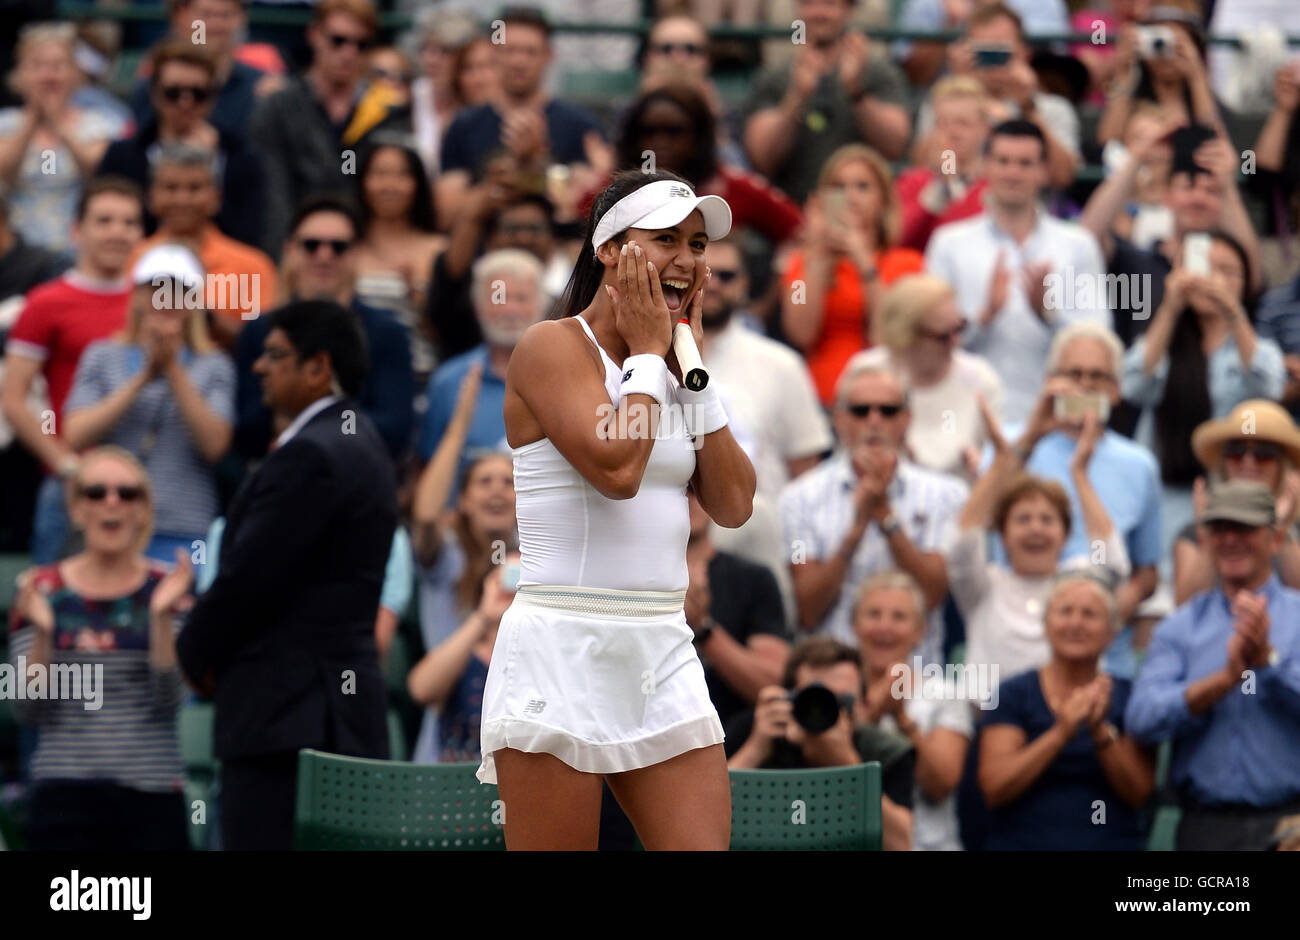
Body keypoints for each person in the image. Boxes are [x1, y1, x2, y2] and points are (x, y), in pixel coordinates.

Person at [475, 169, 755, 850]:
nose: (687, 261)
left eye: (696, 244)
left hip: (661, 646)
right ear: (608, 250)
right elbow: (617, 470)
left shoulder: (674, 363)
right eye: (665, 240)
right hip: (559, 646)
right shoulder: (550, 346)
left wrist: (689, 376)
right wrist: (651, 358)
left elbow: (734, 503)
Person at [177, 299, 398, 851]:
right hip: (335, 717)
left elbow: (247, 582)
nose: (257, 366)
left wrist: (191, 651)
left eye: (275, 355)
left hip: (288, 724)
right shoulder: (361, 441)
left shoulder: (311, 455)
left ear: (318, 368)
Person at [8, 445, 195, 850]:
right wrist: (43, 634)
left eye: (127, 494)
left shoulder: (171, 588)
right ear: (76, 508)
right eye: (96, 492)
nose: (112, 503)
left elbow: (171, 703)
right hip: (63, 792)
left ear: (143, 510)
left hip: (151, 790)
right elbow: (27, 710)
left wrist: (161, 619)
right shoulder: (41, 589)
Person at [1126, 479, 1300, 850]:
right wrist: (1221, 682)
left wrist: (1268, 661)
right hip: (1206, 825)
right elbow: (1141, 719)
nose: (1231, 539)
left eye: (1244, 528)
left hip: (1291, 823)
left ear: (1275, 538)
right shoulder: (1180, 627)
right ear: (1206, 539)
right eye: (1220, 528)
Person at [925, 120, 1110, 426]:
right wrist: (984, 316)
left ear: (1043, 172)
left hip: (1056, 421)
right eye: (1003, 161)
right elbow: (928, 338)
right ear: (985, 166)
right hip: (968, 419)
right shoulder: (948, 243)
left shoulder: (1078, 245)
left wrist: (1048, 314)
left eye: (1025, 163)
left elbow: (1098, 341)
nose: (1013, 173)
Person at [780, 361, 967, 663]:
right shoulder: (799, 497)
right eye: (861, 411)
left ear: (906, 419)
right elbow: (809, 610)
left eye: (888, 411)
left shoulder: (947, 495)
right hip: (830, 676)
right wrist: (855, 531)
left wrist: (884, 515)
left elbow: (932, 596)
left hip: (916, 678)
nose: (875, 421)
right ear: (839, 419)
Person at [1, 178, 144, 564]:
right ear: (76, 230)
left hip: (147, 483)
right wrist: (66, 464)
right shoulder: (45, 303)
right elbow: (14, 400)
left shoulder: (155, 303)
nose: (118, 231)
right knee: (58, 606)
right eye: (105, 220)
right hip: (72, 486)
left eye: (130, 222)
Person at [63, 244, 234, 566]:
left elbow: (215, 445)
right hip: (110, 522)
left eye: (178, 290)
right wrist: (143, 378)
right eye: (155, 288)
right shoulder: (102, 355)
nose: (165, 299)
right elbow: (75, 434)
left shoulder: (215, 365)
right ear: (138, 296)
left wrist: (172, 369)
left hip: (185, 526)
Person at [1122, 229, 1284, 552]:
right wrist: (1171, 305)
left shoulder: (1254, 348)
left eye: (1228, 272)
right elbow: (1133, 385)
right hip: (1168, 491)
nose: (1214, 280)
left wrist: (1232, 312)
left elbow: (1269, 387)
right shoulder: (1165, 344)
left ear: (1246, 283)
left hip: (1234, 495)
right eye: (1205, 267)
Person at [951, 402, 1130, 686]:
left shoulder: (1077, 580)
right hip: (991, 722)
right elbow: (962, 546)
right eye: (1022, 520)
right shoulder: (984, 586)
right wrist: (1001, 463)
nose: (1036, 529)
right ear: (1002, 535)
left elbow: (1112, 562)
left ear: (1065, 534)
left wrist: (1080, 475)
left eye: (1047, 520)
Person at [979, 575, 1154, 850]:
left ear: (1111, 633)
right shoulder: (1013, 694)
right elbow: (995, 789)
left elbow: (1138, 794)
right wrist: (1060, 733)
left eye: (1089, 614)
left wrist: (1099, 731)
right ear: (1046, 626)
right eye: (1065, 612)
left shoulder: (1130, 697)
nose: (1076, 623)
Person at [234, 194, 413, 462]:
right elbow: (246, 428)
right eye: (311, 245)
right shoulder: (259, 330)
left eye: (338, 246)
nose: (324, 255)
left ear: (356, 254)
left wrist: (299, 417)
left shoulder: (387, 332)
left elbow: (394, 429)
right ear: (289, 250)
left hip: (359, 482)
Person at [1010, 323, 1162, 639]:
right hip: (1021, 629)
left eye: (1097, 377)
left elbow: (1147, 571)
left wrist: (1124, 601)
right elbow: (976, 532)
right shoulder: (1013, 447)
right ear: (1049, 381)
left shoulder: (1139, 464)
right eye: (1073, 374)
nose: (1084, 385)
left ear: (1116, 390)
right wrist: (1033, 435)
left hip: (1103, 640)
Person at [724, 635, 916, 851]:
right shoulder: (754, 732)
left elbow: (901, 844)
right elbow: (704, 821)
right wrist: (754, 750)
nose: (826, 712)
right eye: (816, 698)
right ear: (789, 699)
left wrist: (849, 764)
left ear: (864, 705)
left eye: (841, 701)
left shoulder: (886, 751)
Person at [410, 377, 516, 763]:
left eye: (508, 483)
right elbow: (424, 515)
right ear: (464, 502)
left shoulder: (534, 561)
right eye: (484, 482)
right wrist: (457, 429)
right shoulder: (446, 558)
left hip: (515, 730)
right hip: (446, 742)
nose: (497, 491)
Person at [1081, 123, 1265, 344]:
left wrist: (1228, 186)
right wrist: (1138, 158)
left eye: (1211, 191)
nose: (1198, 198)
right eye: (1188, 187)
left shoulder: (1229, 268)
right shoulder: (1140, 261)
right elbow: (1087, 239)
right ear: (1167, 197)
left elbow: (1252, 272)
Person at [435, 6, 609, 229]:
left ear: (549, 55)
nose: (519, 61)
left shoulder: (580, 125)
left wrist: (537, 161)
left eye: (530, 52)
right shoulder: (463, 126)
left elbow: (595, 213)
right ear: (493, 53)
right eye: (510, 50)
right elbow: (446, 216)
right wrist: (496, 184)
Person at [248, 0, 398, 257]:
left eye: (361, 45)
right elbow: (273, 196)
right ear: (314, 35)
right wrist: (285, 258)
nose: (349, 53)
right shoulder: (278, 108)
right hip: (294, 248)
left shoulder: (386, 110)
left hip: (367, 253)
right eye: (338, 41)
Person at [780, 144, 925, 407]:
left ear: (882, 201)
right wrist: (817, 257)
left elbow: (887, 339)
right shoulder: (803, 262)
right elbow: (801, 333)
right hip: (821, 398)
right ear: (822, 199)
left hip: (884, 400)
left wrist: (863, 261)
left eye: (862, 186)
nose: (850, 196)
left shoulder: (907, 263)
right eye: (838, 187)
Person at [98, 41, 268, 251]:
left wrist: (212, 168)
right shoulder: (121, 157)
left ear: (213, 98)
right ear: (154, 94)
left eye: (197, 94)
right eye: (173, 93)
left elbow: (249, 235)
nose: (185, 103)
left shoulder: (241, 159)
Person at [740, 0, 911, 204]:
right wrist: (797, 98)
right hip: (789, 213)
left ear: (849, 10)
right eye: (809, 3)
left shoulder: (877, 73)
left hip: (861, 210)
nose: (818, 13)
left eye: (829, 4)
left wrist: (856, 92)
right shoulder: (774, 76)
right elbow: (761, 159)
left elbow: (896, 146)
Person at [416, 249, 548, 499]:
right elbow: (428, 466)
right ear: (477, 306)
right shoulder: (448, 382)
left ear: (542, 305)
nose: (510, 309)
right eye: (499, 298)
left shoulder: (565, 377)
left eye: (521, 298)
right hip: (463, 532)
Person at [602, 83, 802, 248]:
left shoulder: (736, 186)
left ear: (698, 137)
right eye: (649, 131)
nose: (660, 143)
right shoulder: (613, 190)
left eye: (674, 132)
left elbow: (801, 233)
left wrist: (767, 295)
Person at [855, 571, 971, 851]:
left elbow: (941, 784)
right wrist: (870, 718)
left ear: (920, 631)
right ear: (854, 624)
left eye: (898, 617)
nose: (885, 627)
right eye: (873, 614)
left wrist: (900, 717)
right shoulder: (832, 692)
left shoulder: (945, 694)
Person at [844, 274, 1003, 478]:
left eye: (959, 328)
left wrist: (984, 469)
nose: (956, 342)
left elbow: (997, 461)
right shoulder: (865, 373)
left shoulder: (980, 377)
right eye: (944, 336)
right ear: (906, 335)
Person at [121, 143, 276, 350]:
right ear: (152, 196)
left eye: (195, 188)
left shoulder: (252, 266)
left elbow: (261, 343)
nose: (182, 199)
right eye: (171, 187)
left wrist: (200, 313)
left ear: (217, 197)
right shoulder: (131, 259)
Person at [0, 23, 131, 258]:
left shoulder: (102, 123)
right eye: (38, 66)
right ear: (21, 74)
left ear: (75, 73)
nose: (48, 75)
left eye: (58, 66)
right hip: (16, 255)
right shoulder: (5, 124)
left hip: (80, 252)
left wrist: (58, 124)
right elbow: (4, 171)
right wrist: (32, 121)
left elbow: (102, 171)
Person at [918, 3, 1080, 190]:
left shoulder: (1053, 108)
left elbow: (1063, 176)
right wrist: (960, 93)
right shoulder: (944, 103)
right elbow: (926, 167)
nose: (994, 64)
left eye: (1001, 52)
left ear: (1025, 52)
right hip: (960, 209)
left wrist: (1028, 109)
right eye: (984, 53)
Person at [426, 180, 568, 362]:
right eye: (512, 229)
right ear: (491, 238)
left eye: (534, 229)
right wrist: (473, 216)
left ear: (552, 238)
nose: (524, 238)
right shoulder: (470, 295)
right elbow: (450, 281)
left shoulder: (571, 298)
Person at [1174, 400, 1300, 604]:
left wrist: (1280, 526)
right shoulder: (1194, 530)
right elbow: (1185, 606)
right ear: (1223, 463)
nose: (1248, 462)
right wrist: (1209, 532)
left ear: (1283, 465)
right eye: (1236, 451)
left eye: (1263, 453)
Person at [685, 488, 789, 729]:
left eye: (694, 489)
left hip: (734, 737)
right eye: (676, 488)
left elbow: (771, 688)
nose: (687, 500)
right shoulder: (631, 579)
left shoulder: (753, 579)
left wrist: (703, 628)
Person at [408, 549, 520, 763]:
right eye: (510, 576)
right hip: (455, 788)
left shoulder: (541, 658)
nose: (513, 587)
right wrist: (484, 615)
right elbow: (421, 689)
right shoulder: (463, 654)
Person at [352, 136, 446, 381]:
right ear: (362, 180)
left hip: (422, 376)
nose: (390, 185)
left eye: (403, 175)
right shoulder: (342, 247)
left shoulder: (438, 249)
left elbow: (455, 332)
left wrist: (418, 299)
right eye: (380, 174)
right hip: (358, 378)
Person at [127, 0, 275, 141]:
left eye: (225, 15)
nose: (215, 24)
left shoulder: (261, 88)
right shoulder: (153, 86)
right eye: (206, 14)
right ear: (181, 15)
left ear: (241, 18)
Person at [1096, 2, 1222, 147]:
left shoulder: (1204, 101)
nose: (1165, 52)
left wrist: (1196, 74)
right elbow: (1108, 142)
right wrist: (1123, 74)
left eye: (1175, 43)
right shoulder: (1132, 99)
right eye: (1156, 39)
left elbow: (1213, 143)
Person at [895, 77, 991, 254]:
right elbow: (897, 238)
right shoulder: (912, 182)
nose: (952, 132)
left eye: (962, 123)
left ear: (984, 128)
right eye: (943, 123)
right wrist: (942, 185)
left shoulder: (995, 186)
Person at [406, 8, 482, 178]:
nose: (431, 60)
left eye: (444, 51)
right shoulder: (407, 99)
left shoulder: (479, 104)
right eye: (426, 49)